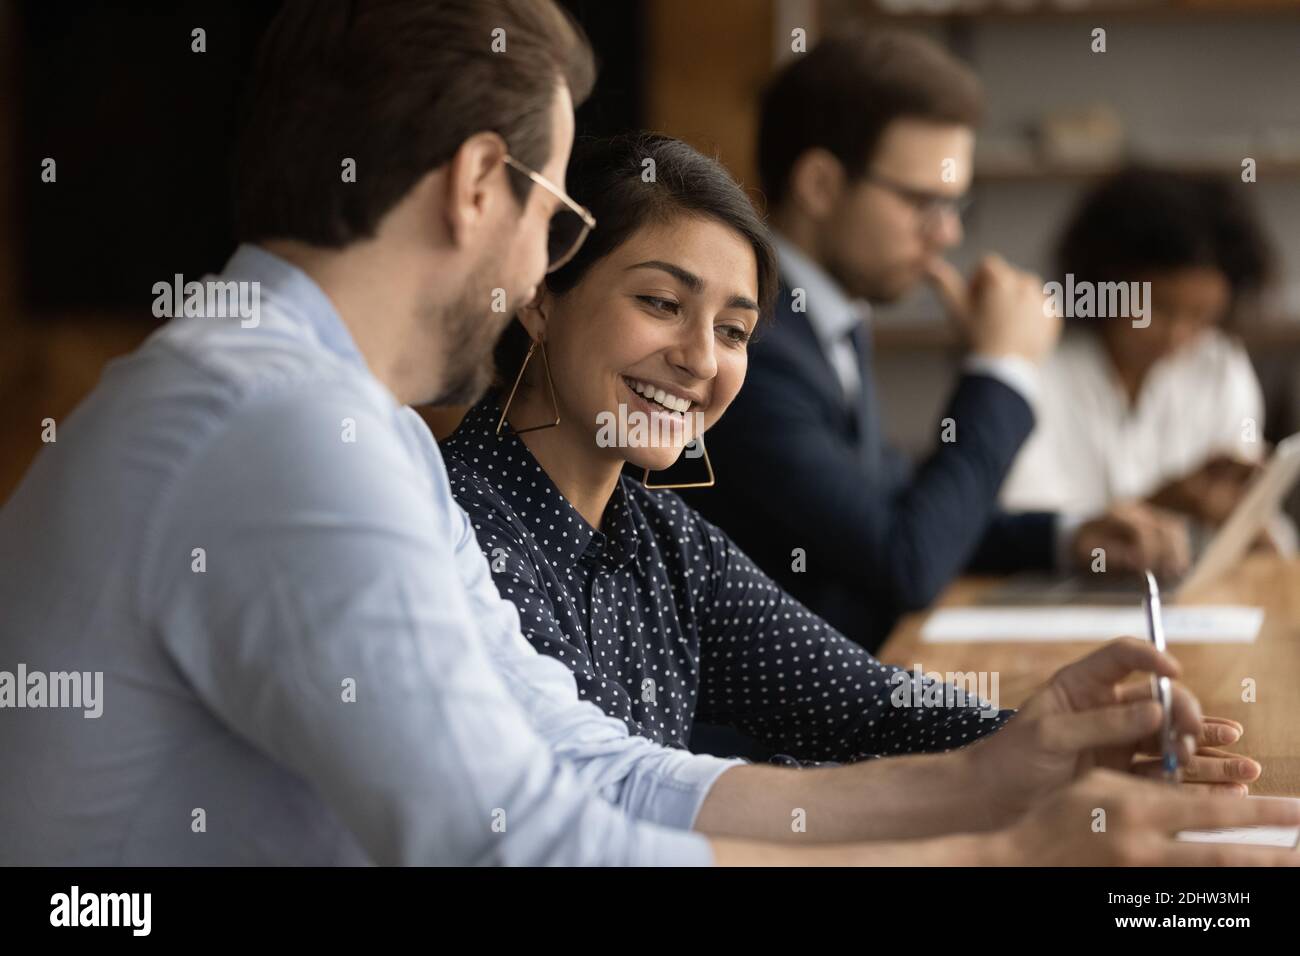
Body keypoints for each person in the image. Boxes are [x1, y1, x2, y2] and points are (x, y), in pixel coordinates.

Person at [0, 0, 1290, 868]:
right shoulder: (276, 429)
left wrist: (1002, 769)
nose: (545, 253)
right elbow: (518, 845)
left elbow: (584, 764)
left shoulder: (346, 429)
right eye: (556, 214)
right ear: (476, 187)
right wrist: (1003, 849)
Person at [444, 132, 1259, 781]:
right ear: (541, 296)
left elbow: (874, 709)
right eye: (661, 303)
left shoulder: (662, 532)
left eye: (734, 330)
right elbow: (609, 802)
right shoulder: (458, 525)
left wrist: (1064, 744)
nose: (700, 358)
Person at [685, 29, 1190, 656]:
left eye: (957, 205)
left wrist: (1067, 537)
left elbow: (897, 510)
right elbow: (907, 561)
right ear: (819, 184)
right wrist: (1000, 370)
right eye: (924, 202)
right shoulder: (748, 340)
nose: (948, 234)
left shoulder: (827, 320)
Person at [1001, 167, 1276, 532]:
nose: (1177, 335)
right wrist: (1156, 507)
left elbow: (1245, 512)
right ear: (1105, 284)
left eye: (1201, 316)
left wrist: (1246, 524)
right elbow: (1016, 531)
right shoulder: (1036, 370)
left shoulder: (1220, 368)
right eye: (1157, 309)